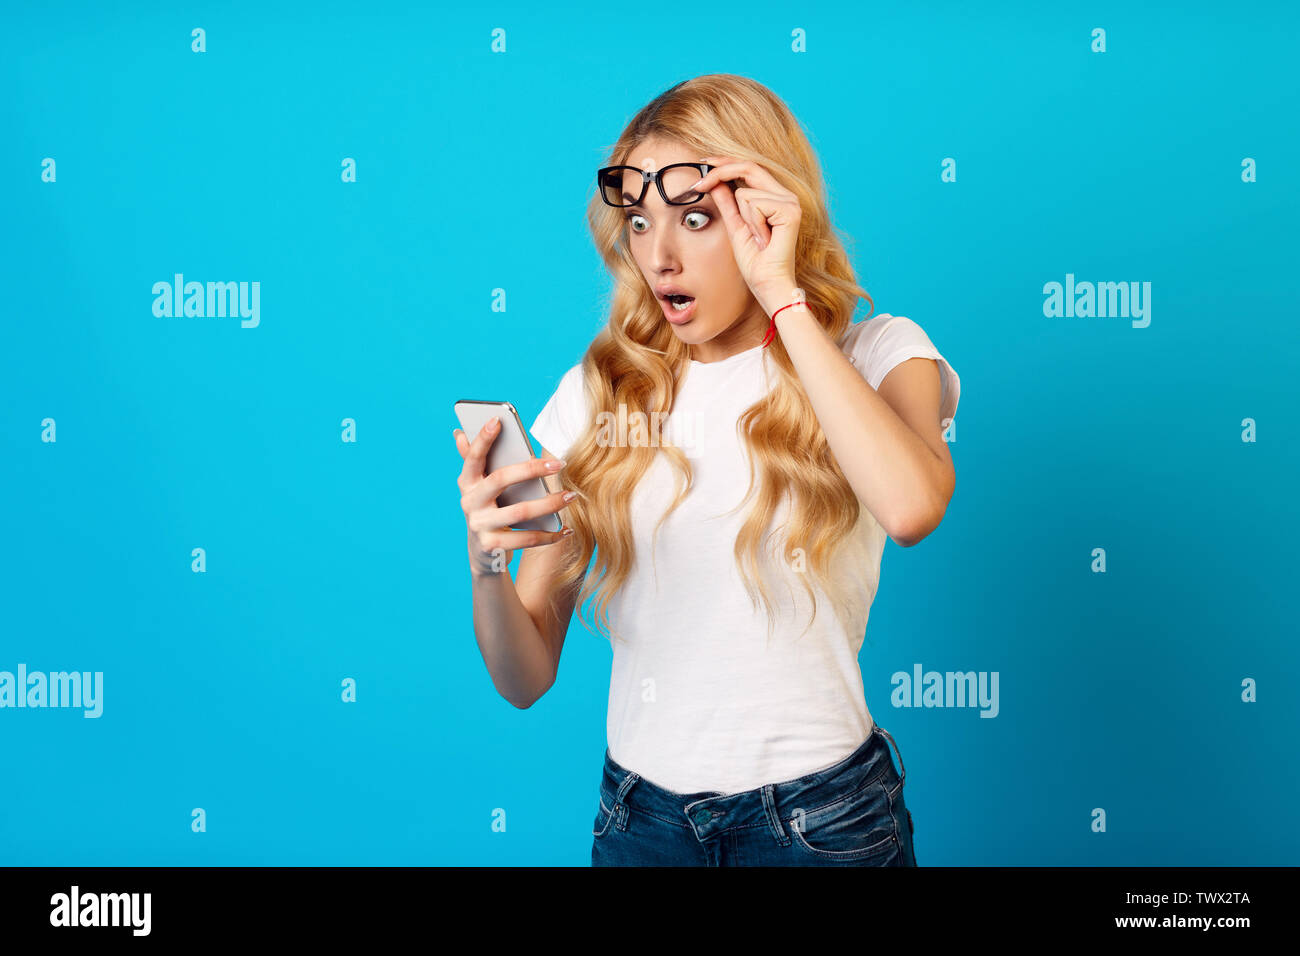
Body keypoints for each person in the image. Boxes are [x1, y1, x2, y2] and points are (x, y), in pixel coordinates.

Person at [455, 74, 960, 866]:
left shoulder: (877, 355)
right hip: (639, 827)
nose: (660, 257)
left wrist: (783, 298)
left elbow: (911, 509)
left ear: (768, 213)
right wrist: (487, 560)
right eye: (640, 223)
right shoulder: (602, 394)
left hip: (821, 826)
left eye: (696, 219)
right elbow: (524, 678)